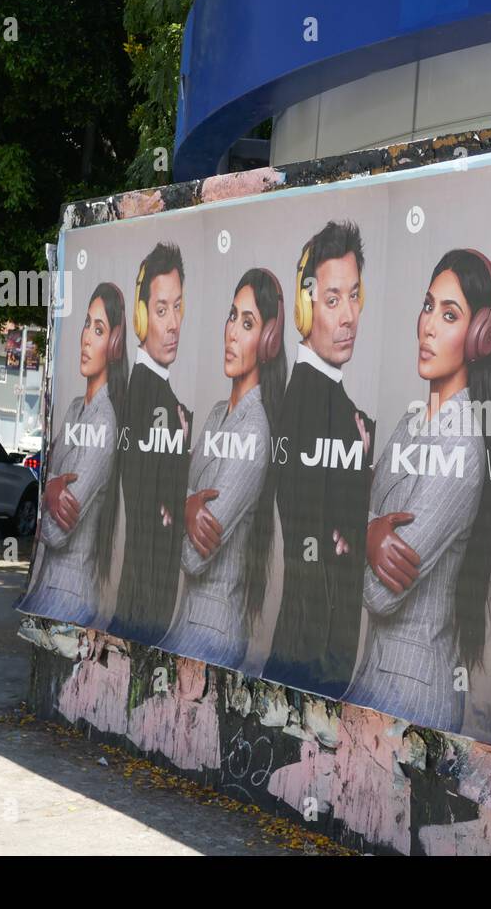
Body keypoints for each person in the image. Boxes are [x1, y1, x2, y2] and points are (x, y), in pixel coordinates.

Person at [345, 249, 491, 732]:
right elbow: (368, 518)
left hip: (413, 694)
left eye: (450, 314)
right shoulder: (411, 424)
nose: (429, 326)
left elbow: (380, 593)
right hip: (375, 676)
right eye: (428, 306)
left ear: (480, 337)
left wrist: (362, 532)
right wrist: (369, 531)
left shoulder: (462, 441)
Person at [264, 221, 376, 698]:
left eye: (354, 296)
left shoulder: (342, 409)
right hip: (307, 664)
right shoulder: (305, 404)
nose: (348, 315)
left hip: (321, 666)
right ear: (306, 309)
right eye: (332, 301)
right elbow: (317, 548)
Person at [158, 269, 287, 667]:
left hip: (215, 630)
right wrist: (184, 504)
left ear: (267, 342)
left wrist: (178, 506)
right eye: (233, 316)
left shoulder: (255, 426)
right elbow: (179, 501)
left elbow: (194, 556)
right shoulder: (216, 415)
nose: (232, 332)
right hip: (187, 620)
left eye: (248, 323)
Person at [22, 282, 127, 626]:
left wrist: (48, 492)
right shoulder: (73, 409)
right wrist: (52, 486)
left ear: (113, 344)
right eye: (87, 324)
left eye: (99, 329)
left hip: (72, 594)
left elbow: (54, 531)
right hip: (48, 589)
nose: (86, 338)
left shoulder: (105, 421)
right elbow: (49, 489)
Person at [110, 242, 194, 645]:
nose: (174, 323)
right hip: (145, 594)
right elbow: (153, 506)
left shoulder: (158, 393)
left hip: (148, 593)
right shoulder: (146, 392)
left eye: (178, 307)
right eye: (161, 310)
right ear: (141, 317)